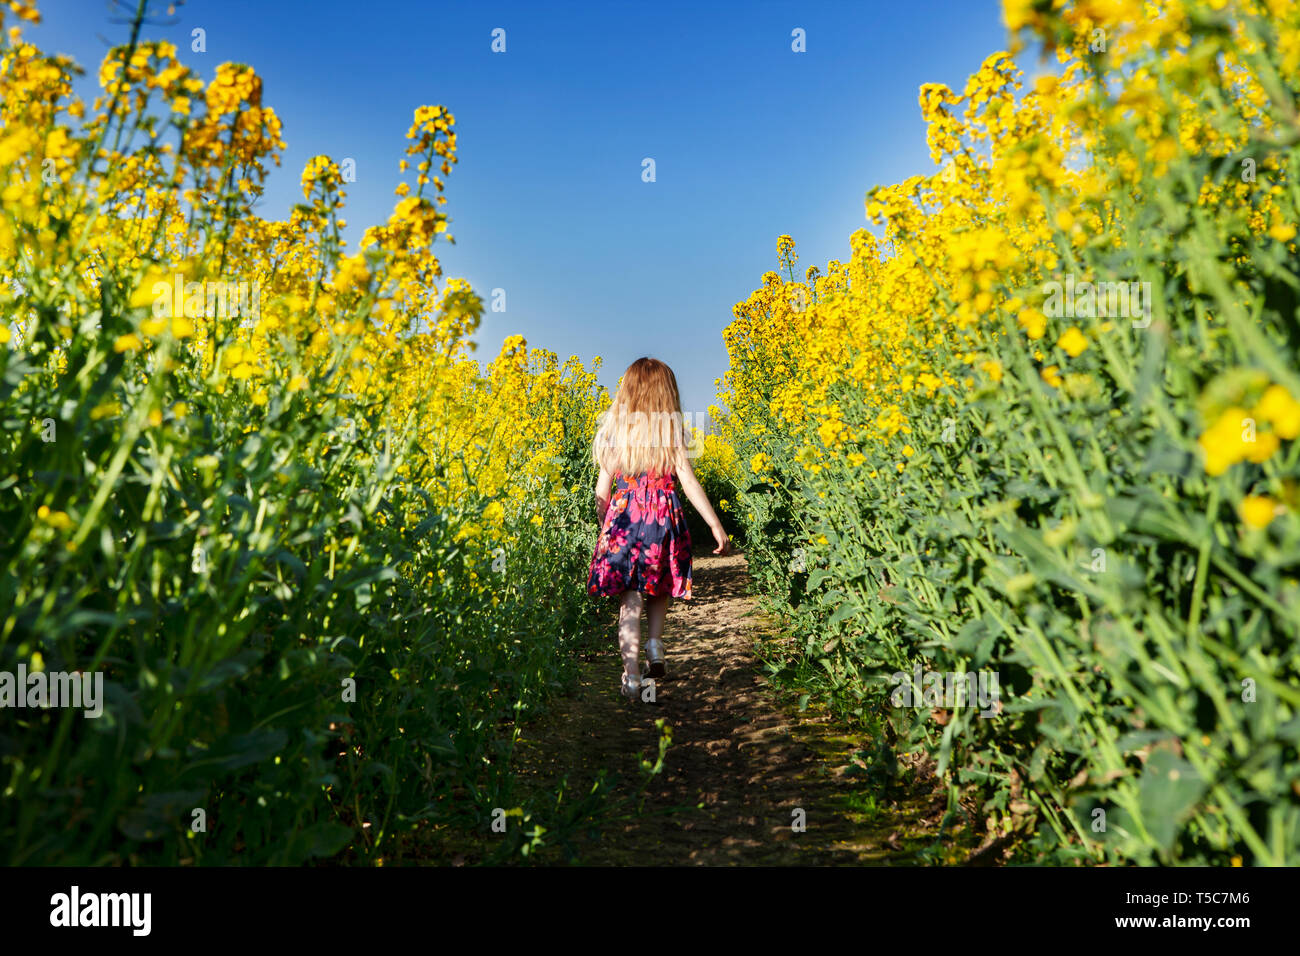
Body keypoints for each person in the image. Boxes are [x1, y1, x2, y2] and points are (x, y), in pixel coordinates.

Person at [587, 357, 729, 703]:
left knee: (629, 601)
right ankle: (654, 645)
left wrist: (606, 527)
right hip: (661, 521)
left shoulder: (614, 434)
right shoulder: (671, 432)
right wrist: (714, 523)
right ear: (667, 395)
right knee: (658, 586)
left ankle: (632, 677)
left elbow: (601, 493)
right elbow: (689, 481)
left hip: (622, 524)